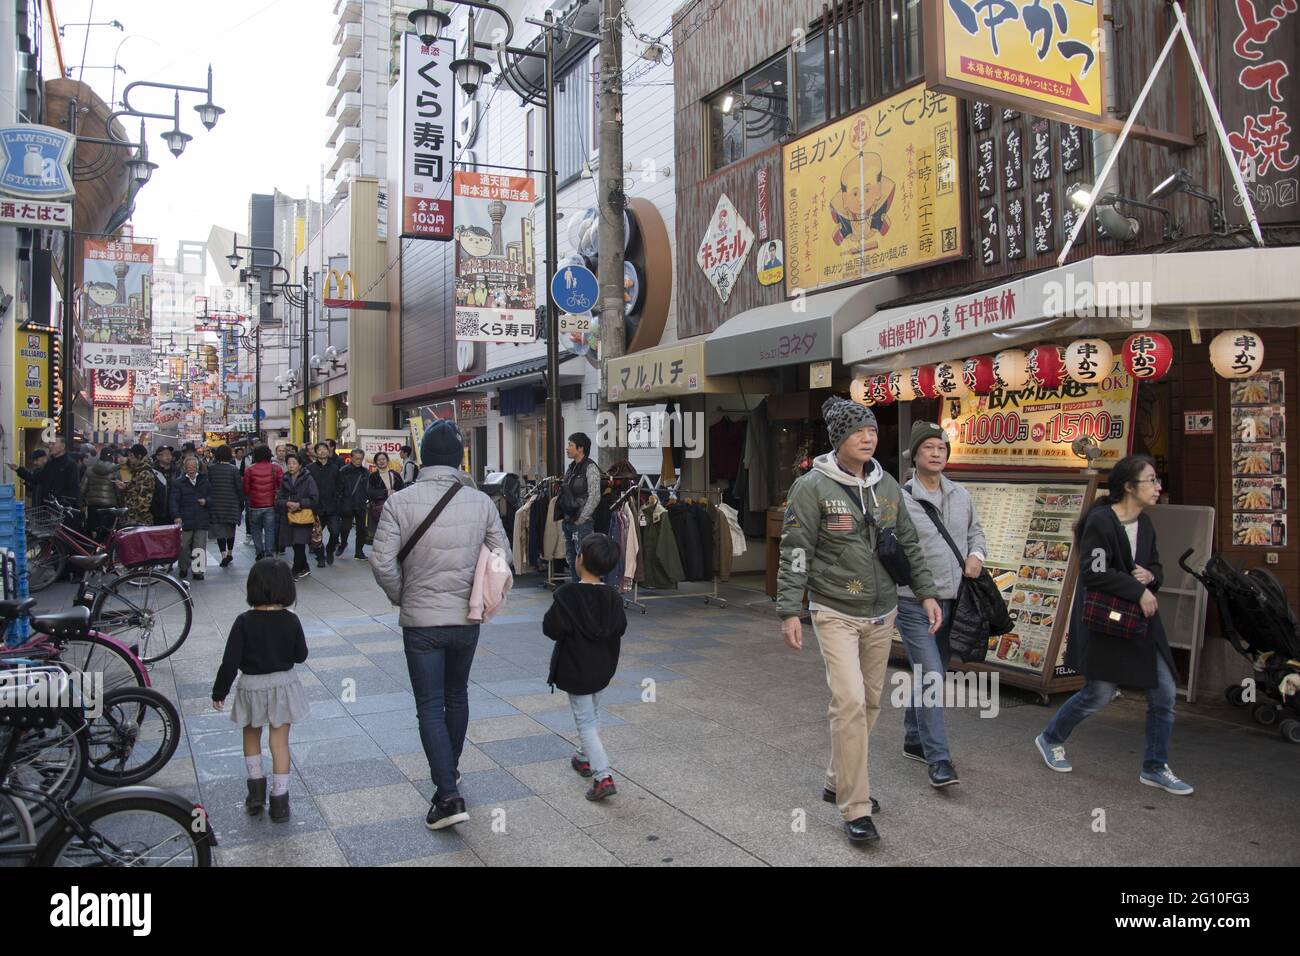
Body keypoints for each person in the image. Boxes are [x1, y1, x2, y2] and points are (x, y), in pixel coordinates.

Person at [777, 396, 941, 845]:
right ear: (839, 439)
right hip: (834, 609)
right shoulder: (811, 487)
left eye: (871, 430)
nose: (868, 437)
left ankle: (838, 778)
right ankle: (856, 806)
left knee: (869, 703)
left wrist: (925, 592)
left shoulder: (887, 483)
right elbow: (795, 550)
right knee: (848, 701)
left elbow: (907, 541)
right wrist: (791, 608)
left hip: (882, 610)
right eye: (857, 431)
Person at [369, 420, 511, 831]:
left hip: (421, 623)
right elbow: (502, 556)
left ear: (424, 457)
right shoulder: (480, 501)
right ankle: (449, 771)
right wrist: (483, 592)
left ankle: (447, 794)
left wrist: (402, 594)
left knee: (430, 705)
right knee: (457, 694)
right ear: (459, 459)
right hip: (466, 618)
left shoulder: (400, 502)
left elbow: (381, 563)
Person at [1034, 455, 1191, 795]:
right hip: (1106, 621)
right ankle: (1050, 738)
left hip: (1141, 623)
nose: (1157, 486)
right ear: (1129, 487)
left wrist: (1151, 577)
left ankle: (1154, 766)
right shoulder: (1102, 522)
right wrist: (1139, 590)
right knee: (1098, 693)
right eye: (1151, 480)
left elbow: (1155, 566)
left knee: (1163, 693)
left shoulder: (1145, 523)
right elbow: (1095, 573)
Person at [896, 421, 988, 789]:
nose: (936, 454)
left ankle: (914, 737)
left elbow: (976, 533)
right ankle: (939, 759)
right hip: (914, 602)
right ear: (915, 454)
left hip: (955, 601)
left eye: (941, 448)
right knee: (932, 675)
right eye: (929, 447)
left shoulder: (960, 494)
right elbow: (895, 550)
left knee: (930, 673)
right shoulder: (901, 499)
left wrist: (976, 555)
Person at [211, 558, 310, 822]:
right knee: (279, 742)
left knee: (251, 734)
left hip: (251, 686)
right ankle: (280, 801)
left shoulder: (243, 621)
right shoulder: (291, 620)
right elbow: (301, 656)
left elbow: (230, 662)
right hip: (283, 685)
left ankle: (255, 793)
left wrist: (219, 692)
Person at [543, 533, 627, 802]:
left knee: (585, 720)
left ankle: (603, 776)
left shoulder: (567, 595)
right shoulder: (613, 597)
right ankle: (582, 756)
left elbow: (551, 628)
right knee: (593, 714)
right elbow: (620, 628)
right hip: (602, 669)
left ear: (580, 560)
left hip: (576, 669)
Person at [559, 432, 602, 583]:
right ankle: (576, 589)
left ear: (580, 448)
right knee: (571, 559)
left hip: (582, 523)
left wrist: (582, 518)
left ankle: (585, 590)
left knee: (583, 559)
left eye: (570, 445)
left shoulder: (590, 468)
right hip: (568, 521)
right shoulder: (572, 468)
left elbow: (595, 496)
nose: (567, 448)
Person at [275, 452, 319, 579]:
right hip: (288, 516)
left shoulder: (308, 478)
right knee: (295, 544)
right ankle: (304, 567)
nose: (291, 466)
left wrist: (299, 503)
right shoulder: (285, 478)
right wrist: (287, 503)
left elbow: (314, 498)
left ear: (300, 465)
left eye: (294, 463)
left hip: (303, 516)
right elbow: (279, 499)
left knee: (299, 543)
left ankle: (295, 570)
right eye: (289, 463)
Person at [171, 455, 212, 581]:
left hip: (201, 518)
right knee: (183, 546)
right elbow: (174, 501)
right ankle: (183, 567)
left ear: (198, 468)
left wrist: (206, 501)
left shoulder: (204, 480)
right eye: (189, 466)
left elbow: (211, 496)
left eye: (194, 466)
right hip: (185, 518)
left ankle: (198, 571)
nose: (191, 469)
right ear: (185, 468)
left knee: (199, 546)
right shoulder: (178, 482)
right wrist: (176, 516)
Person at [207, 445, 245, 568]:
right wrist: (241, 502)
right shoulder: (233, 469)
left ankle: (223, 555)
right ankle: (230, 552)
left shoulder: (211, 469)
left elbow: (208, 486)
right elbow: (239, 488)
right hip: (231, 504)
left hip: (216, 504)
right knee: (230, 529)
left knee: (219, 531)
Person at [243, 445, 283, 560]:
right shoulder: (276, 468)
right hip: (270, 504)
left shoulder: (250, 469)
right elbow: (281, 486)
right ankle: (269, 551)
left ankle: (259, 551)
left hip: (255, 504)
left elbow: (246, 489)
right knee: (270, 529)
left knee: (255, 529)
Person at [307, 442, 341, 567]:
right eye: (319, 449)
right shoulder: (309, 469)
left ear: (329, 451)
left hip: (332, 507)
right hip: (316, 507)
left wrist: (337, 500)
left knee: (335, 532)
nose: (322, 451)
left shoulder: (335, 468)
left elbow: (339, 486)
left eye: (324, 449)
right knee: (316, 536)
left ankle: (330, 549)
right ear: (315, 453)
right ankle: (320, 557)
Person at [81, 447, 123, 542]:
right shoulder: (115, 470)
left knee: (93, 532)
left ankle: (93, 553)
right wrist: (121, 505)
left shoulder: (90, 469)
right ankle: (106, 553)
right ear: (112, 456)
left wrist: (81, 504)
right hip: (110, 507)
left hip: (93, 507)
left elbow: (82, 489)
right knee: (108, 534)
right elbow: (118, 491)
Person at [336, 449, 371, 559]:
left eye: (360, 459)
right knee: (345, 528)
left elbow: (368, 488)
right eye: (356, 458)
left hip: (361, 504)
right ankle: (343, 543)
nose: (358, 461)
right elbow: (338, 489)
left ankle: (359, 551)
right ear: (351, 458)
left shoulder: (365, 472)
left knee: (361, 530)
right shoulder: (344, 471)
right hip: (347, 504)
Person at [367, 452, 404, 536]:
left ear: (387, 461)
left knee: (393, 533)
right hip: (379, 510)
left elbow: (403, 489)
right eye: (378, 460)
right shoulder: (373, 476)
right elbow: (370, 492)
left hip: (395, 509)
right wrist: (386, 492)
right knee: (380, 534)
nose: (381, 461)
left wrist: (395, 492)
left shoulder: (395, 475)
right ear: (376, 463)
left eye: (383, 459)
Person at [123, 444, 158, 526]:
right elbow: (135, 489)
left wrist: (133, 517)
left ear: (139, 456)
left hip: (141, 520)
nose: (129, 459)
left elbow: (144, 500)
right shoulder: (138, 470)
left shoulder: (145, 473)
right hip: (134, 517)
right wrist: (125, 487)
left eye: (131, 456)